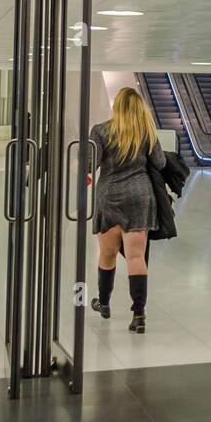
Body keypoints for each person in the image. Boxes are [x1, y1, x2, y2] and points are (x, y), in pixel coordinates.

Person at [89, 87, 165, 333]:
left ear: (116, 106)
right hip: (140, 197)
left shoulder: (101, 131)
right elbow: (160, 163)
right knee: (135, 257)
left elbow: (91, 162)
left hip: (109, 197)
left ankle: (104, 303)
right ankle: (139, 314)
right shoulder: (146, 132)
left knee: (107, 254)